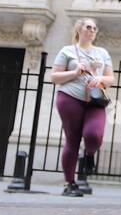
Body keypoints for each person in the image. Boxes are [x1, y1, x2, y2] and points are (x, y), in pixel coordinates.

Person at [49, 19, 114, 197]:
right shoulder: (67, 51)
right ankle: (69, 183)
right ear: (79, 30)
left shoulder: (102, 53)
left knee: (94, 135)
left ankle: (89, 154)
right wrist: (74, 72)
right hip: (70, 98)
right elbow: (54, 77)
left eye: (94, 28)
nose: (92, 30)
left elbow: (110, 79)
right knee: (73, 140)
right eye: (88, 27)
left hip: (95, 101)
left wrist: (100, 80)